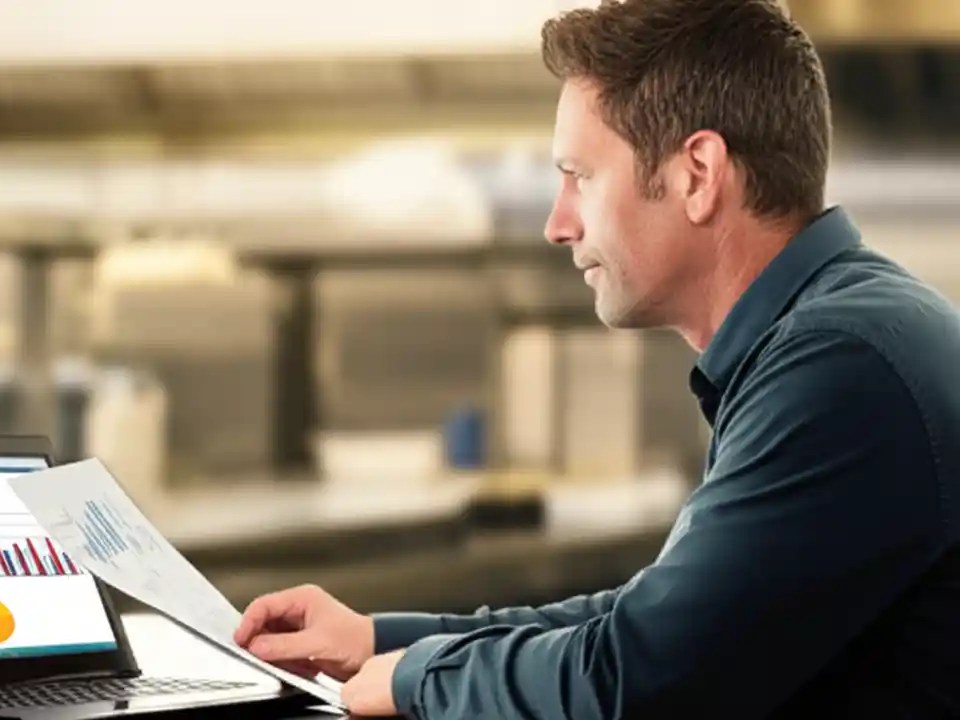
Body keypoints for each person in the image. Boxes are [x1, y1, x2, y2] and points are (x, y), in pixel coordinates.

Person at [234, 0, 960, 717]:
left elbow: (638, 680)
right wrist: (376, 639)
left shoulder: (837, 367)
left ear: (698, 175)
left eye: (579, 175)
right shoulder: (837, 333)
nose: (557, 223)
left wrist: (415, 679)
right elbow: (649, 623)